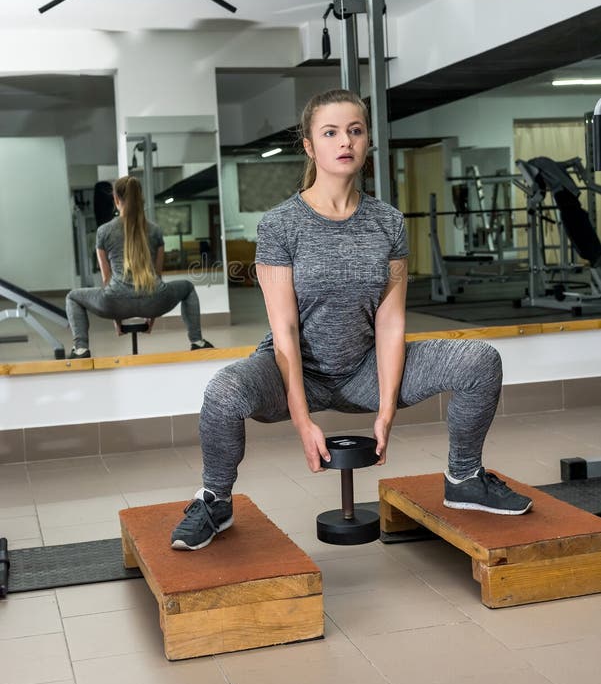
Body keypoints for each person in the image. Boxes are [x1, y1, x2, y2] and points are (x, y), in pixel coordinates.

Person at [171, 89, 531, 551]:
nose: (346, 141)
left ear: (366, 143)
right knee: (224, 391)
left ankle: (464, 477)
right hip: (293, 371)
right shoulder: (280, 225)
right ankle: (215, 500)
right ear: (309, 146)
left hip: (364, 369)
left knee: (479, 360)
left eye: (355, 131)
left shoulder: (389, 222)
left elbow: (390, 321)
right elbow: (285, 332)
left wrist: (385, 413)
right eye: (331, 132)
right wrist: (303, 423)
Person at [66, 175, 214, 358]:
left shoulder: (103, 232)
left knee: (73, 297)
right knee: (188, 288)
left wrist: (116, 316)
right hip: (155, 300)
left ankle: (81, 349)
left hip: (115, 302)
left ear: (116, 199)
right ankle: (197, 342)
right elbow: (157, 277)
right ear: (140, 198)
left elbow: (106, 279)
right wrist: (151, 314)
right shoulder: (156, 231)